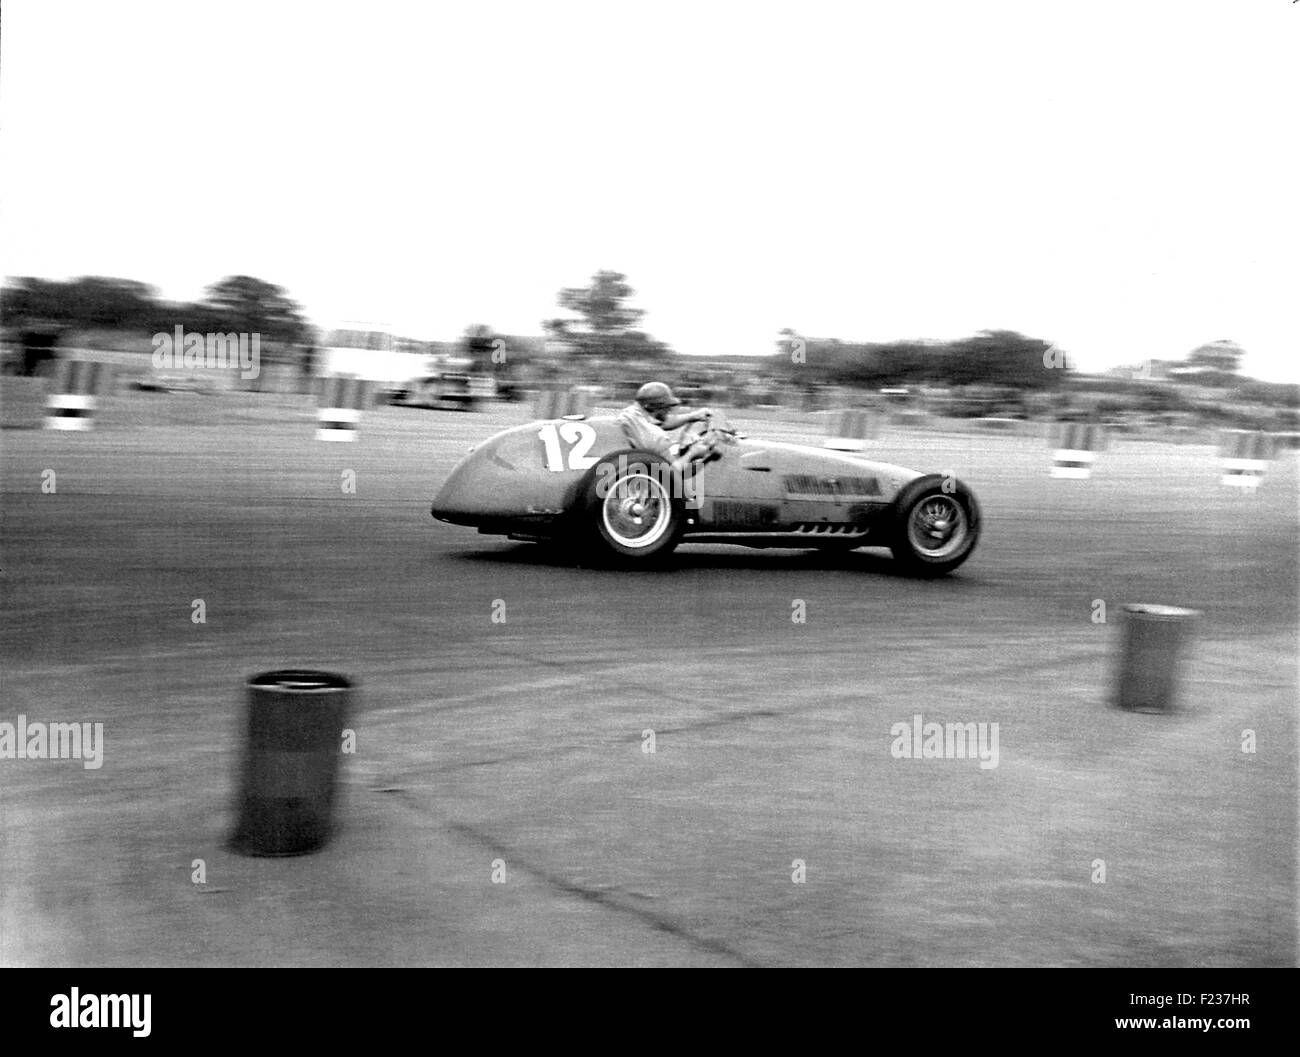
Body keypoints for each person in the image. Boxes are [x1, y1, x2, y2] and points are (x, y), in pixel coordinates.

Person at [617, 382, 717, 471]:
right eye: (665, 407)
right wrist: (693, 453)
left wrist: (693, 416)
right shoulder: (656, 436)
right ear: (653, 407)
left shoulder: (632, 415)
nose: (668, 411)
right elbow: (672, 471)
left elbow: (662, 422)